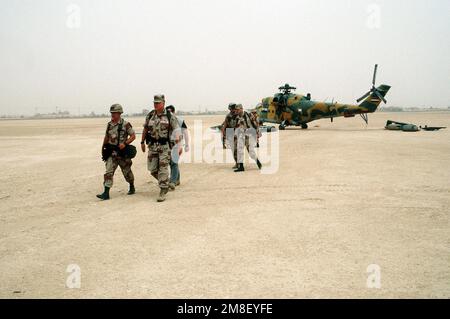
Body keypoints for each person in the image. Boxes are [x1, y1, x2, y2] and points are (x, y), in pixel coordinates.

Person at [141, 95, 180, 202]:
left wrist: (178, 146)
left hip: (165, 146)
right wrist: (142, 142)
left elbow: (177, 131)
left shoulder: (169, 116)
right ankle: (166, 183)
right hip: (152, 146)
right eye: (155, 103)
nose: (156, 104)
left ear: (163, 103)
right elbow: (145, 129)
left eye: (158, 103)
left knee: (163, 168)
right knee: (153, 170)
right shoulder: (150, 116)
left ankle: (163, 190)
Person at [97, 104, 136, 200]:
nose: (112, 115)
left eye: (114, 113)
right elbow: (106, 137)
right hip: (112, 153)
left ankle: (131, 186)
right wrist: (103, 149)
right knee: (108, 172)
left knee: (127, 172)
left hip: (122, 153)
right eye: (112, 113)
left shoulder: (126, 124)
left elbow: (133, 136)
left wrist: (125, 143)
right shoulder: (109, 125)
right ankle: (106, 193)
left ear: (119, 113)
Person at [166, 105, 189, 191]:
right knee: (172, 163)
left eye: (170, 111)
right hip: (167, 145)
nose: (169, 113)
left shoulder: (180, 121)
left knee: (174, 162)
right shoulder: (165, 121)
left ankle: (173, 181)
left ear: (173, 112)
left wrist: (186, 145)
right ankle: (177, 179)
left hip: (177, 144)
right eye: (167, 111)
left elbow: (185, 133)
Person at [234, 104, 262, 172]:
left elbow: (256, 123)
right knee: (239, 149)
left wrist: (257, 133)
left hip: (250, 133)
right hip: (242, 134)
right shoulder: (237, 117)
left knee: (251, 151)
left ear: (241, 109)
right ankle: (241, 166)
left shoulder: (249, 115)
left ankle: (257, 161)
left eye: (238, 110)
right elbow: (237, 126)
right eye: (236, 110)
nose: (236, 111)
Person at [221, 103, 239, 169]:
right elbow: (225, 125)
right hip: (230, 133)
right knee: (233, 150)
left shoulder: (238, 115)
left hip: (237, 133)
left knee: (237, 149)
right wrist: (224, 133)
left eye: (232, 109)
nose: (231, 110)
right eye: (231, 109)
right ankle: (237, 163)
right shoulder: (228, 116)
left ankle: (239, 163)